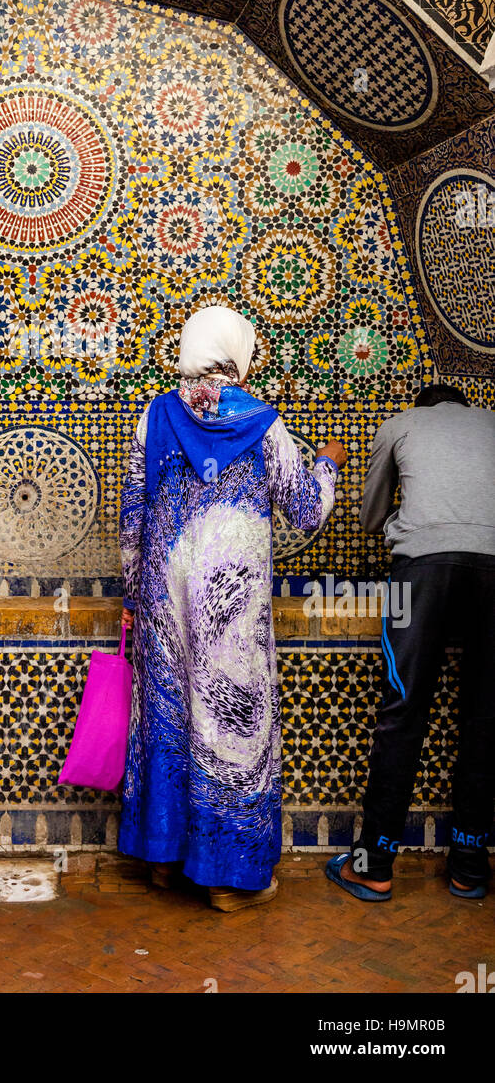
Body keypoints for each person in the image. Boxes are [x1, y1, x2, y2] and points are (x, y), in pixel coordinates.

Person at [118, 304, 347, 910]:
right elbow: (304, 510)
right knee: (232, 729)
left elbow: (132, 517)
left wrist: (133, 595)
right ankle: (228, 880)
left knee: (168, 719)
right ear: (236, 354)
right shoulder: (265, 426)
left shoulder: (154, 417)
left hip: (166, 599)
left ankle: (164, 864)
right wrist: (328, 464)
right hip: (234, 606)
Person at [326, 384, 495, 903]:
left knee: (401, 713)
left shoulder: (401, 423)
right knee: (486, 716)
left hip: (420, 571)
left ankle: (373, 863)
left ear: (422, 409)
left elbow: (371, 517)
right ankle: (469, 866)